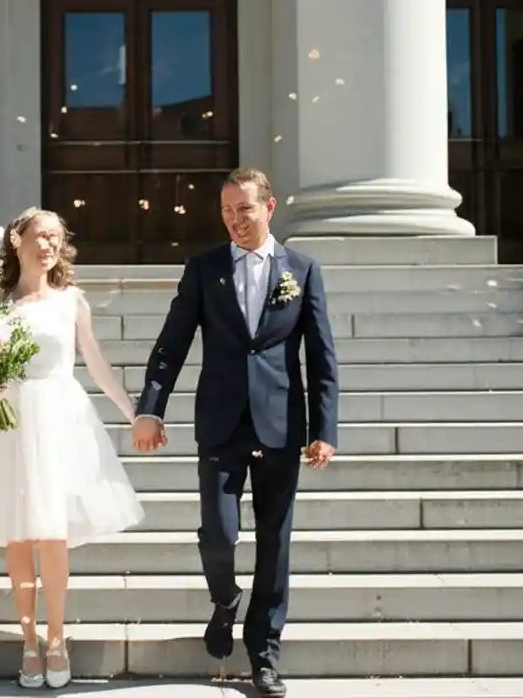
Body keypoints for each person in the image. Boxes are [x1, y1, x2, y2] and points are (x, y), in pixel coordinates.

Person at [131, 167, 339, 697]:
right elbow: (171, 344)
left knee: (275, 544)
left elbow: (321, 356)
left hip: (280, 425)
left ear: (269, 208)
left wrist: (324, 428)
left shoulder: (303, 270)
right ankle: (225, 600)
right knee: (219, 534)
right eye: (226, 210)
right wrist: (151, 409)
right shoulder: (204, 269)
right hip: (220, 423)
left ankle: (264, 657)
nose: (234, 219)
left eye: (244, 209)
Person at [0, 207, 144, 690]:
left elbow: (95, 363)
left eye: (56, 237)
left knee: (52, 534)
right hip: (11, 422)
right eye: (40, 235)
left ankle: (56, 639)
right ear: (17, 240)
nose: (48, 245)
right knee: (19, 533)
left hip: (60, 418)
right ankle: (27, 639)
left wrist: (135, 412)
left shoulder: (72, 299)